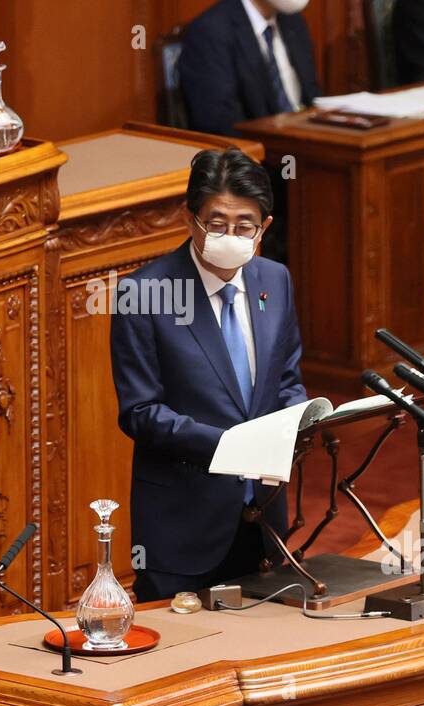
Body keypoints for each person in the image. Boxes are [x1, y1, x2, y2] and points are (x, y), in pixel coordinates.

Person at [110, 147, 307, 603]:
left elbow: (286, 380)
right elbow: (140, 411)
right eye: (216, 224)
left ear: (265, 228)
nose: (230, 236)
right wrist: (229, 446)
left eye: (244, 227)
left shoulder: (274, 279)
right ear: (190, 218)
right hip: (183, 526)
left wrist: (297, 421)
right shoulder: (143, 294)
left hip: (262, 518)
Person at [177, 0, 320, 139]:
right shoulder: (211, 34)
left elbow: (311, 97)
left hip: (309, 150)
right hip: (258, 162)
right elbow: (221, 125)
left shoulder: (293, 22)